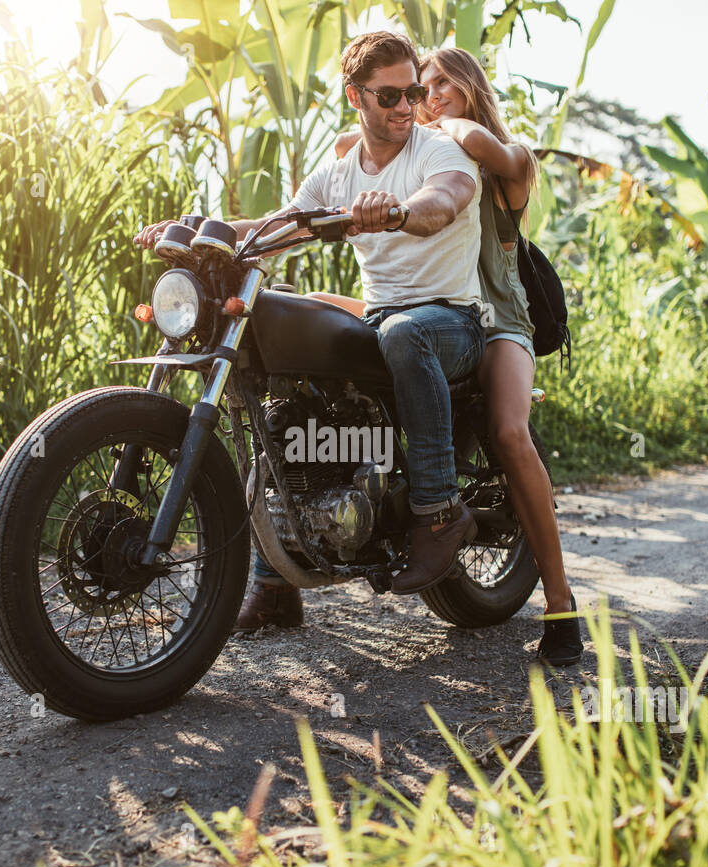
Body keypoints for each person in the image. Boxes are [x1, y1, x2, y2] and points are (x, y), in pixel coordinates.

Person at [237, 46, 585, 669]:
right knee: (291, 324)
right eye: (401, 92)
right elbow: (286, 218)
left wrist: (425, 126)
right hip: (400, 305)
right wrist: (202, 231)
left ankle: (553, 597)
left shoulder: (481, 155)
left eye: (431, 87)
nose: (424, 99)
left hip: (492, 316)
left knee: (508, 432)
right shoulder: (392, 146)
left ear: (471, 89)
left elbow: (453, 183)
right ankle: (276, 574)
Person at [138, 31, 486, 598]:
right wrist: (198, 229)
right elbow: (279, 227)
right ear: (355, 96)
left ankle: (440, 512)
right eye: (389, 96)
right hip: (383, 320)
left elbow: (442, 202)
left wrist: (397, 211)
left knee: (404, 334)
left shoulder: (436, 151)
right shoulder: (340, 174)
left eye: (413, 92)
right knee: (278, 378)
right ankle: (273, 581)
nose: (406, 107)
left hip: (450, 321)